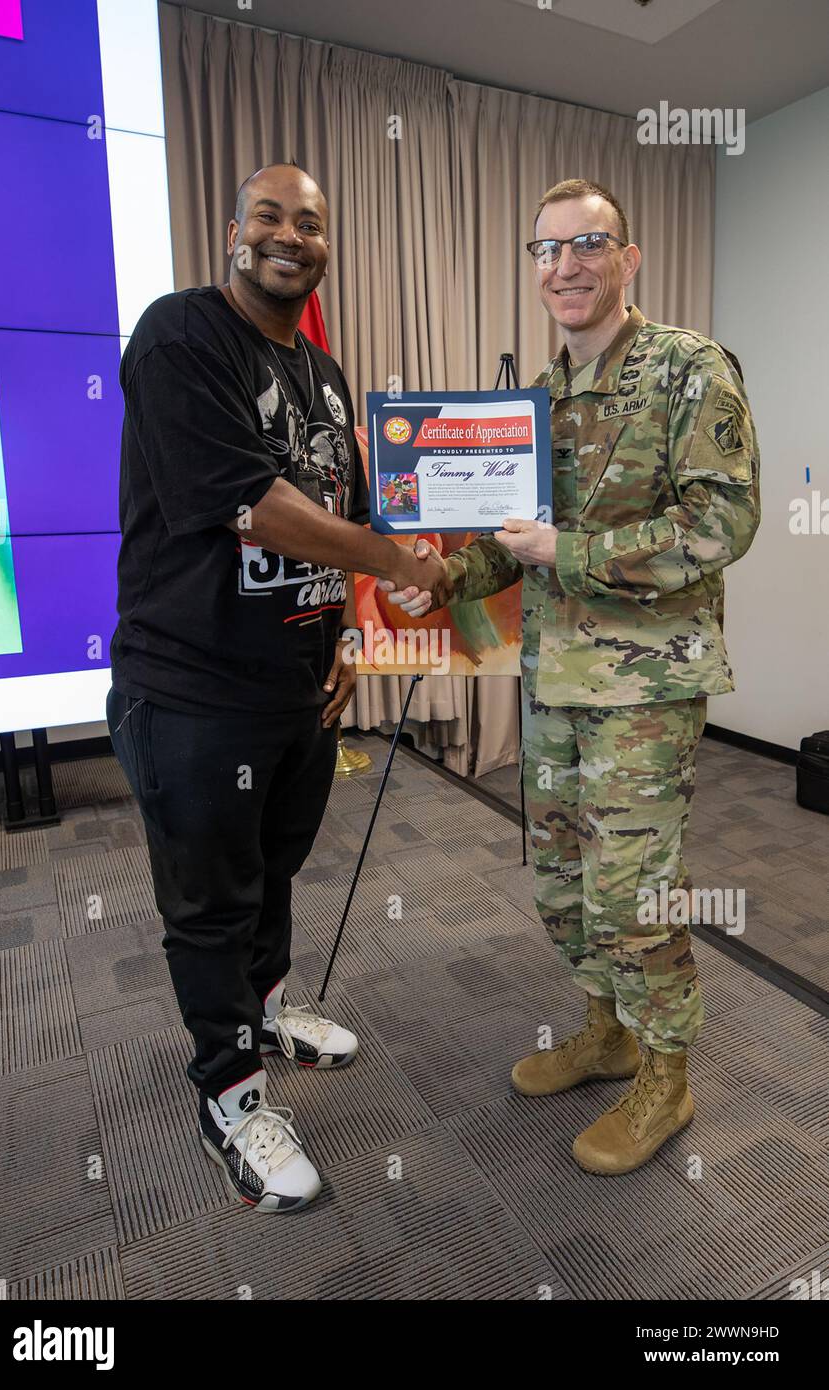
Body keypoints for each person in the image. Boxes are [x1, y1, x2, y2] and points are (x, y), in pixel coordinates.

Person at [382, 178, 760, 1175]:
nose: (564, 265)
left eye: (586, 243)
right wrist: (447, 580)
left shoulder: (688, 369)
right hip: (553, 684)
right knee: (560, 884)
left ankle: (666, 1078)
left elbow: (721, 525)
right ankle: (607, 1030)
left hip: (644, 687)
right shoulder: (534, 402)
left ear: (625, 259)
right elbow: (514, 547)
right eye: (545, 249)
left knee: (634, 890)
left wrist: (573, 552)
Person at [107, 163, 433, 1212]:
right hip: (192, 691)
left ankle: (264, 1014)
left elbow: (326, 503)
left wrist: (340, 631)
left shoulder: (326, 377)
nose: (291, 234)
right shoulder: (180, 336)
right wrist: (390, 561)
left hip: (293, 690)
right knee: (208, 905)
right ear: (233, 231)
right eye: (270, 216)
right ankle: (229, 1094)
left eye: (310, 221)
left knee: (273, 874)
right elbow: (253, 504)